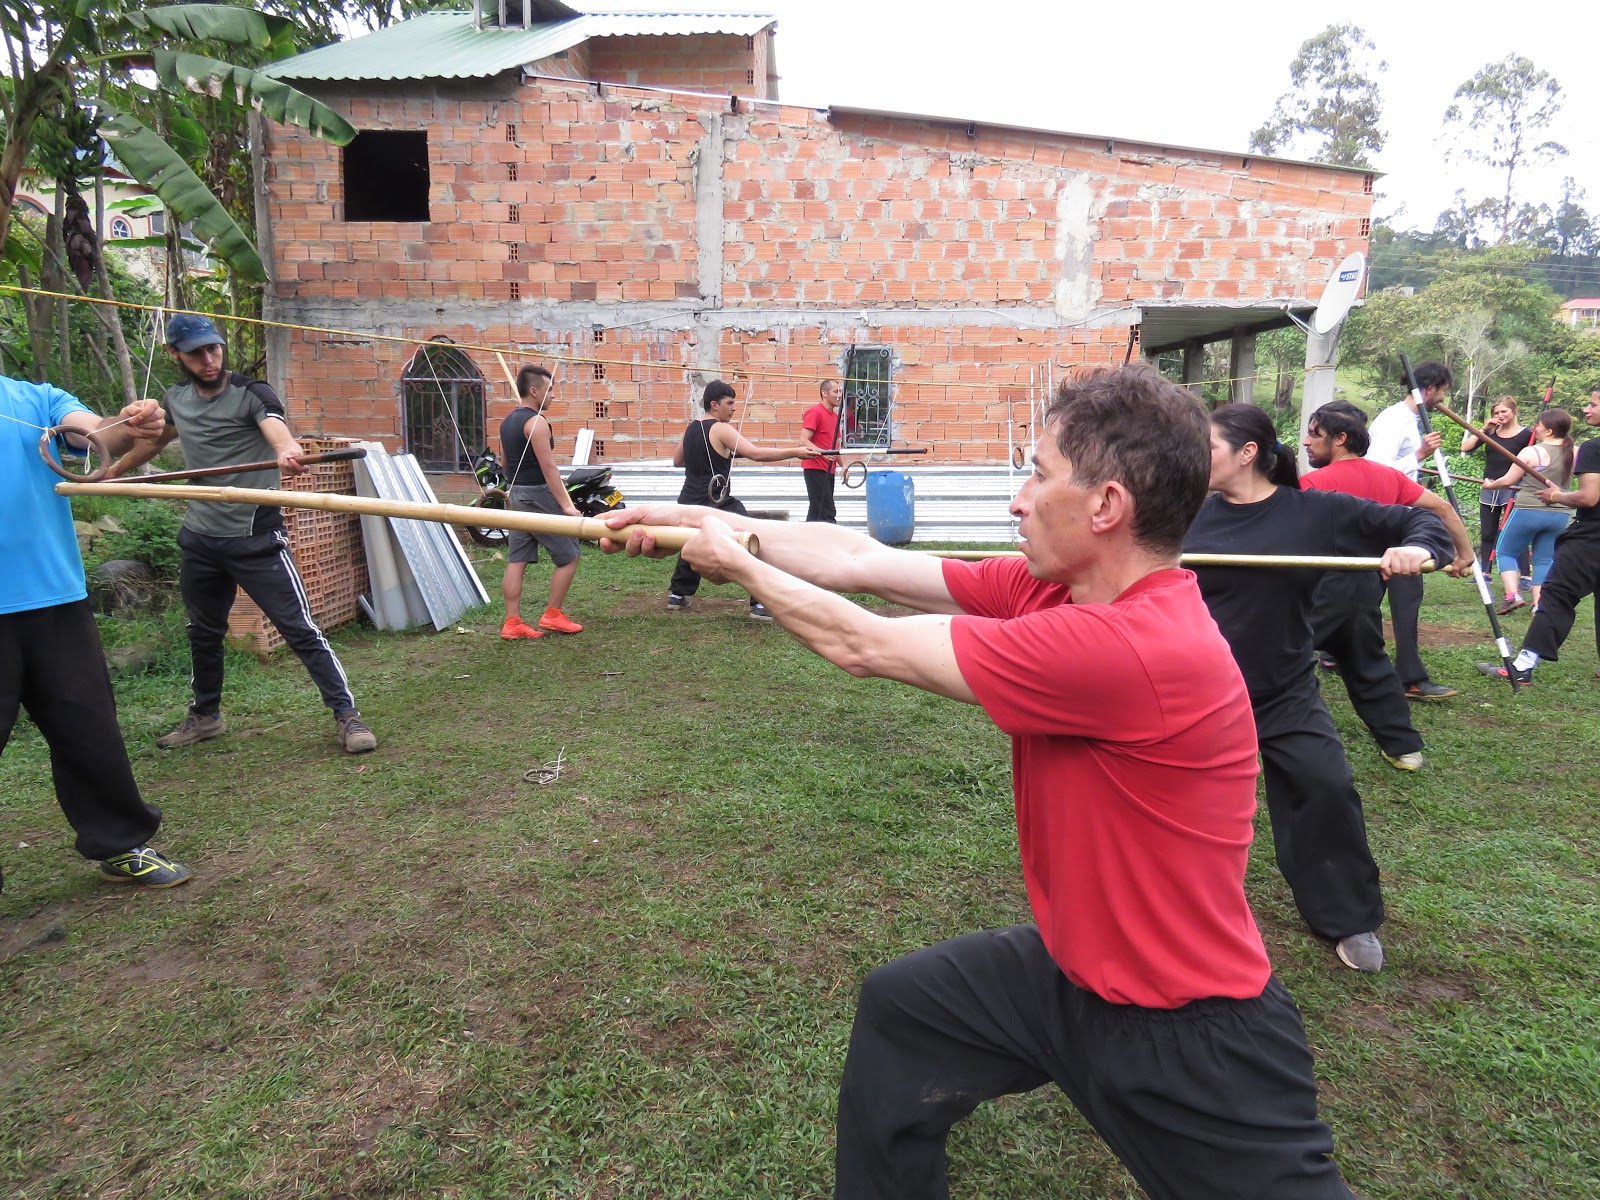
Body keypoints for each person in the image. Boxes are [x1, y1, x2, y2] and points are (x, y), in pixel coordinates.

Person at [602, 365, 1355, 1199]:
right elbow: (862, 560)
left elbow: (867, 645)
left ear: (1105, 507)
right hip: (1069, 972)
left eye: (1037, 475)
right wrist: (696, 518)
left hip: (1187, 1030)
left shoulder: (1135, 647)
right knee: (906, 1013)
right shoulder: (1056, 590)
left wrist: (738, 566)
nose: (1017, 500)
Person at [1186, 403, 1453, 974]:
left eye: (1205, 447)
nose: (1192, 459)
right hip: (1194, 691)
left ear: (1247, 452)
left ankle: (1348, 916)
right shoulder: (1184, 516)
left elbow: (1419, 520)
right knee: (1170, 806)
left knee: (1325, 787)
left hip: (1283, 688)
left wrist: (1420, 549)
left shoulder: (1316, 512)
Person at [111, 314, 377, 754]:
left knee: (300, 630)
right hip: (200, 537)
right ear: (176, 355)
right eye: (197, 352)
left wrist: (286, 450)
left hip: (255, 536)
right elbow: (155, 443)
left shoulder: (251, 393)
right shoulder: (176, 399)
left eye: (214, 348)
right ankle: (205, 716)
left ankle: (347, 716)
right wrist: (114, 473)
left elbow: (277, 431)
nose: (209, 359)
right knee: (203, 630)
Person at [1, 377, 191, 889]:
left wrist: (131, 425)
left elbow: (93, 434)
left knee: (89, 733)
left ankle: (120, 842)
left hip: (56, 599)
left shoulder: (35, 399)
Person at [1300, 401, 1474, 771]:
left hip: (1319, 593)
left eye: (1314, 434)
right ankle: (1403, 748)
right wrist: (1466, 553)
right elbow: (1443, 508)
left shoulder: (1311, 484)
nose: (1305, 442)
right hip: (1365, 590)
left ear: (1340, 439)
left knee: (1274, 660)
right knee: (1367, 663)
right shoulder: (1390, 477)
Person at [1479, 389, 1600, 686]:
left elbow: (1589, 497)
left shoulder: (1594, 448)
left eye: (1593, 404)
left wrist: (1557, 495)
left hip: (1593, 537)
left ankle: (1521, 666)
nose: (1586, 409)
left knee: (1556, 594)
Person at [667, 379, 811, 619]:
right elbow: (755, 454)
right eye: (730, 403)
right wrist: (796, 452)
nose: (734, 408)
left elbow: (677, 461)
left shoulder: (692, 427)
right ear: (715, 405)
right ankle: (759, 603)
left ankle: (677, 595)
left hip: (689, 501)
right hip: (716, 503)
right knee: (753, 541)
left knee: (692, 543)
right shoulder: (721, 428)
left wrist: (720, 453)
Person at [1364, 361, 1457, 700]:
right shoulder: (1394, 420)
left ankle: (1334, 651)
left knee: (1365, 589)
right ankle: (1410, 677)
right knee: (1404, 591)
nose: (1443, 399)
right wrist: (1420, 454)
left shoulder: (1409, 420)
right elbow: (1376, 469)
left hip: (1397, 512)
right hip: (1390, 515)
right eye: (1443, 392)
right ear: (1429, 389)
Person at [498, 364, 584, 640]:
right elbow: (550, 469)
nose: (553, 396)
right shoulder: (537, 423)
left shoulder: (507, 421)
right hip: (536, 494)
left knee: (517, 559)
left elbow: (503, 462)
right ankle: (553, 615)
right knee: (569, 554)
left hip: (516, 493)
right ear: (534, 391)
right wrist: (567, 506)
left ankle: (512, 622)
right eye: (549, 390)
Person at [1481, 408, 1574, 615]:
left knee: (1505, 551)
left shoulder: (1531, 452)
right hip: (1560, 514)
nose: (1536, 428)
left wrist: (1490, 485)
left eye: (1539, 424)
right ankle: (1538, 604)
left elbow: (1508, 480)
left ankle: (1512, 595)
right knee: (1543, 559)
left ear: (1549, 431)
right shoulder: (1574, 452)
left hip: (1529, 510)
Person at [1460, 397, 1532, 578]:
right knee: (1487, 532)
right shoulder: (1490, 433)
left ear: (1514, 411)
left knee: (1515, 531)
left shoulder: (1527, 435)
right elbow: (1465, 447)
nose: (1499, 416)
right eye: (1496, 413)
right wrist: (1484, 428)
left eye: (1503, 412)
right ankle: (1485, 572)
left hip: (1515, 488)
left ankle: (1525, 574)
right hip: (1489, 487)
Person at [799, 378, 851, 523]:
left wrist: (844, 465)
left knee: (817, 511)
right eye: (836, 391)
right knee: (827, 510)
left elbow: (835, 447)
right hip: (815, 468)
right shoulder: (815, 412)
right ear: (824, 393)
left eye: (840, 391)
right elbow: (803, 441)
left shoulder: (835, 416)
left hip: (829, 469)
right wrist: (822, 452)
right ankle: (832, 541)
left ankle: (808, 541)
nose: (839, 395)